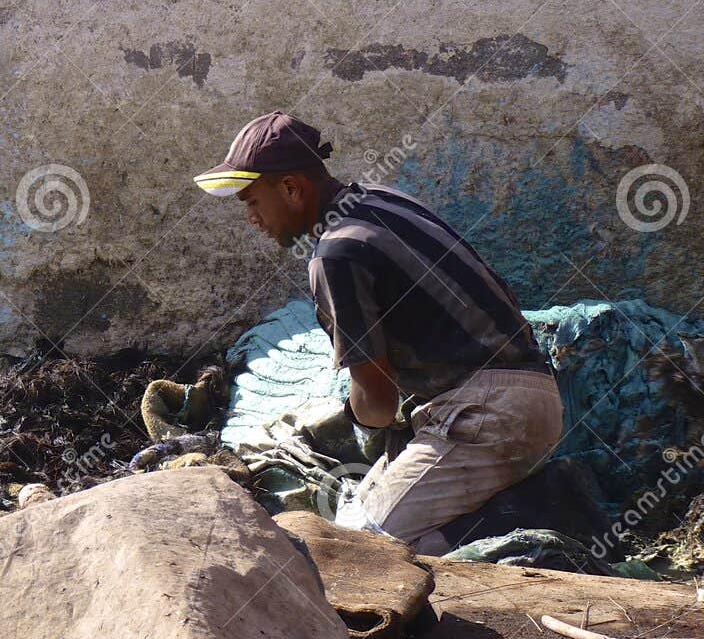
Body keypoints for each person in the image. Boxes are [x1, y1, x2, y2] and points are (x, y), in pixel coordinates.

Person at [195, 111, 563, 553]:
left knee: (360, 548)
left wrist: (350, 421)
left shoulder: (334, 254)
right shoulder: (380, 201)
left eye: (252, 201)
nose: (252, 218)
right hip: (527, 398)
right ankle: (510, 510)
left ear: (291, 188)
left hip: (485, 415)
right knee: (362, 519)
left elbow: (379, 403)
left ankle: (532, 515)